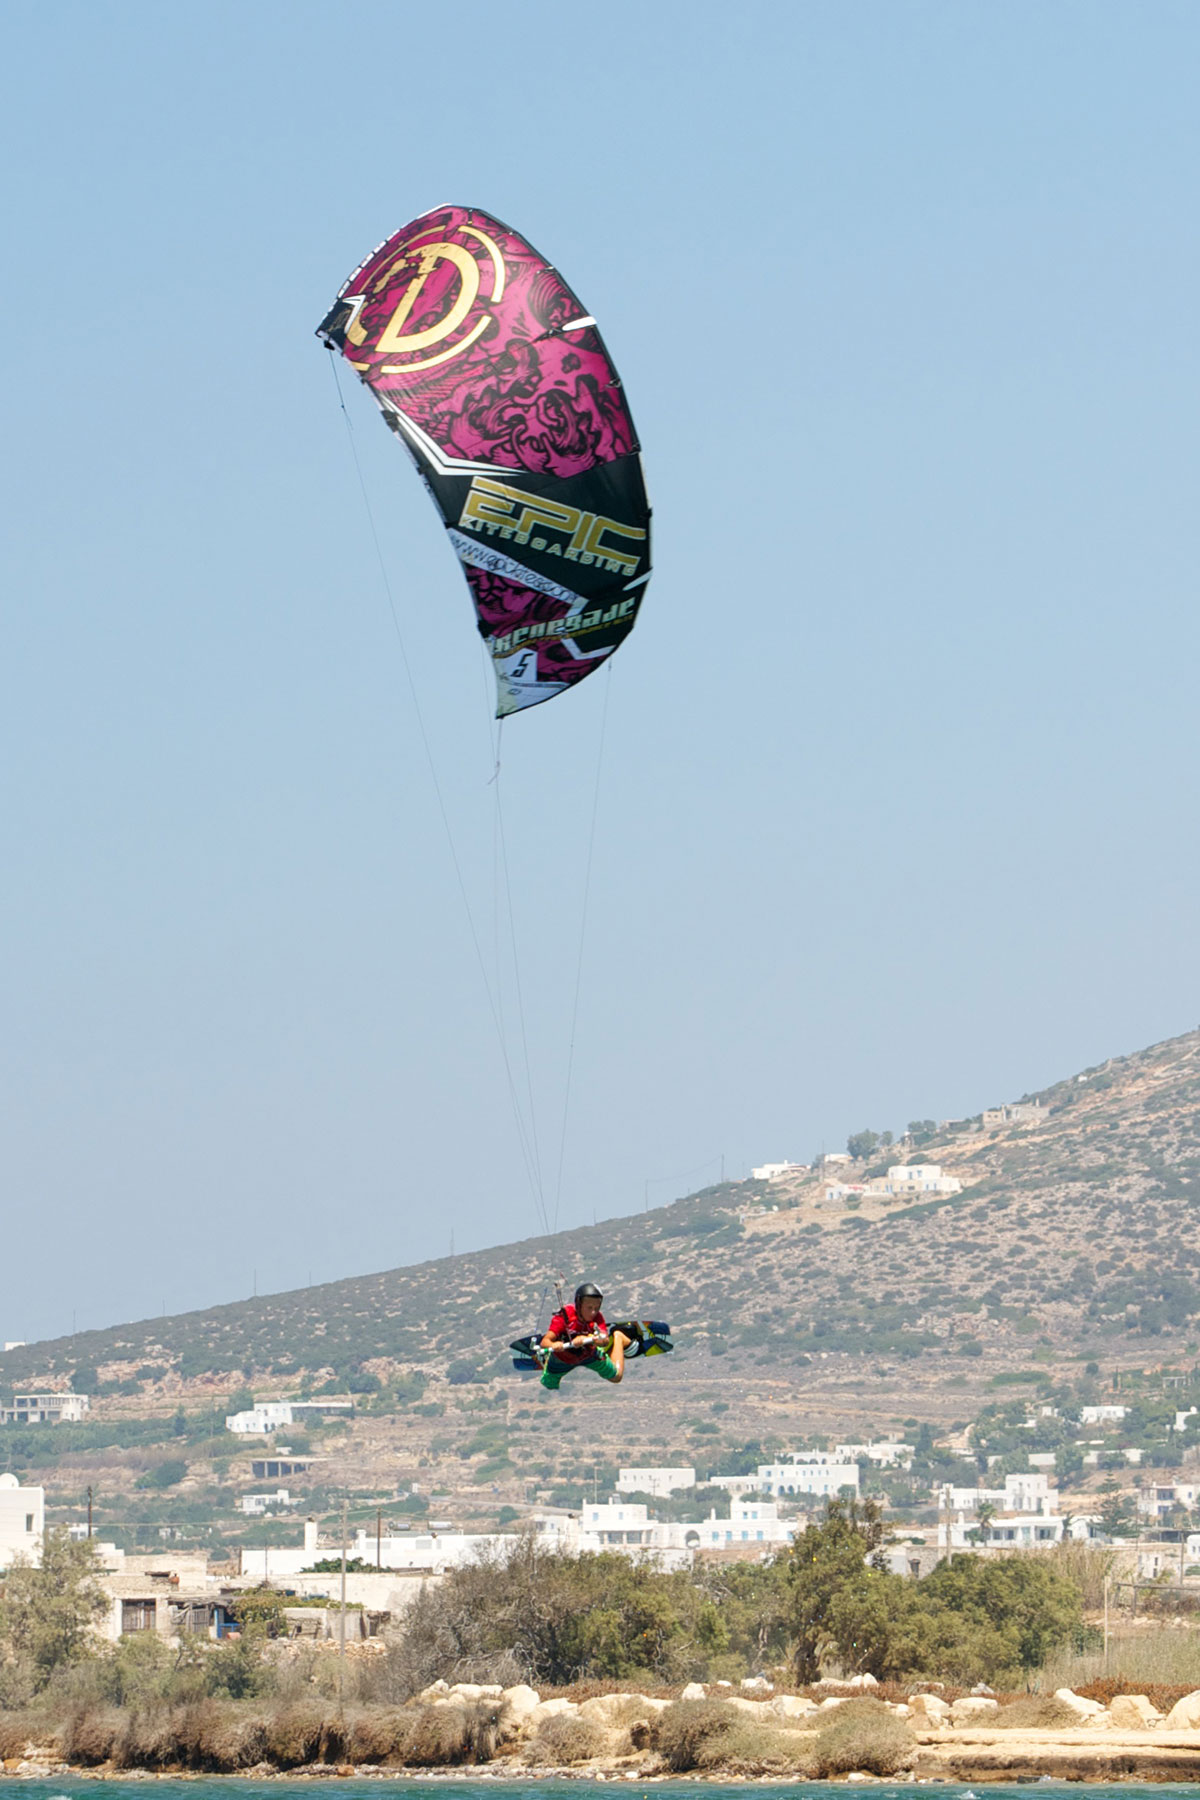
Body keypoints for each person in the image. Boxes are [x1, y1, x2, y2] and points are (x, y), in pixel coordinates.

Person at [539, 1282, 630, 1392]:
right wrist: (554, 1345)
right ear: (579, 1305)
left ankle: (618, 1337)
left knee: (616, 1377)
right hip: (563, 1358)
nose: (593, 1312)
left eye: (596, 1308)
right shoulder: (564, 1317)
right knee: (549, 1385)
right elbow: (545, 1342)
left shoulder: (597, 1317)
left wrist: (589, 1339)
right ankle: (548, 1359)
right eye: (589, 1308)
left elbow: (605, 1340)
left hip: (588, 1354)